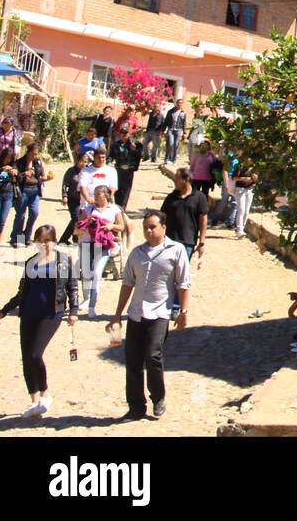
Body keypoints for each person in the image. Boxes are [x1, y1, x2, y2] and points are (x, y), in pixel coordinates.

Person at [106, 210, 190, 420]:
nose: (148, 231)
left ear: (163, 227)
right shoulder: (137, 254)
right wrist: (117, 315)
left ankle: (158, 397)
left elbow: (183, 283)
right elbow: (127, 284)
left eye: (152, 227)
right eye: (145, 227)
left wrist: (183, 311)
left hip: (160, 312)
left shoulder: (176, 250)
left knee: (153, 355)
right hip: (136, 313)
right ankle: (135, 406)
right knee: (133, 360)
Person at [0, 224, 79, 418]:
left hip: (52, 314)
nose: (43, 245)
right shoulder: (30, 263)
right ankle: (34, 401)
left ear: (53, 240)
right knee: (26, 357)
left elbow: (72, 287)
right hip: (28, 313)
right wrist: (4, 310)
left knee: (35, 354)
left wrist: (74, 311)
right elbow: (22, 292)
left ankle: (45, 394)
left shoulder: (64, 260)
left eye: (46, 241)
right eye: (39, 241)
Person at [76, 186, 126, 318]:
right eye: (95, 194)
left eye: (98, 194)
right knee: (86, 274)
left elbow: (122, 226)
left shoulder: (114, 209)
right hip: (87, 243)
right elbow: (78, 224)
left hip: (103, 245)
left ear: (107, 195)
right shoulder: (88, 209)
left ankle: (92, 305)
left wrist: (111, 226)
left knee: (97, 274)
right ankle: (86, 298)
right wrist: (88, 223)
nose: (96, 197)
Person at [10, 140, 53, 247]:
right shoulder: (19, 163)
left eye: (36, 153)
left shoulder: (37, 163)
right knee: (21, 214)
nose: (35, 155)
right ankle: (16, 238)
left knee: (34, 213)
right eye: (34, 153)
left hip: (35, 191)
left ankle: (26, 236)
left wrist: (47, 179)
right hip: (23, 191)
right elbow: (15, 177)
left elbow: (41, 178)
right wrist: (23, 175)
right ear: (28, 152)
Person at [158, 167, 206, 262]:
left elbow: (203, 221)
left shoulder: (199, 197)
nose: (174, 181)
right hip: (170, 241)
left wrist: (202, 243)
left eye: (177, 179)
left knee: (182, 272)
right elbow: (162, 217)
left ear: (186, 180)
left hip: (187, 242)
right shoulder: (171, 198)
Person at [58, 151, 93, 244]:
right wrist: (64, 196)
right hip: (72, 198)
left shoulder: (87, 172)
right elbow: (65, 184)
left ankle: (75, 238)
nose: (83, 164)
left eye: (85, 162)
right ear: (77, 161)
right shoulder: (71, 171)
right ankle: (64, 238)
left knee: (80, 219)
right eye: (81, 161)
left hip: (83, 199)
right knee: (75, 218)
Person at [228, 157, 257, 237]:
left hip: (250, 190)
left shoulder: (254, 169)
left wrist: (255, 178)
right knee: (241, 209)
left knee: (246, 210)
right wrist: (244, 179)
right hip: (240, 190)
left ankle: (242, 228)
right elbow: (234, 178)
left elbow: (256, 180)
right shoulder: (240, 167)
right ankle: (239, 229)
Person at [0, 150, 19, 241]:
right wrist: (1, 170)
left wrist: (14, 174)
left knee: (2, 220)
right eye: (6, 158)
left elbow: (18, 180)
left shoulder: (13, 166)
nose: (7, 160)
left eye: (9, 159)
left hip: (8, 194)